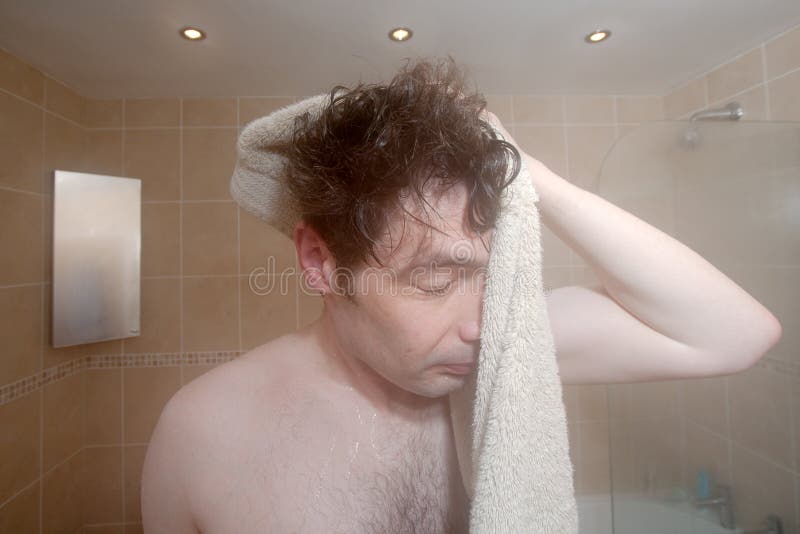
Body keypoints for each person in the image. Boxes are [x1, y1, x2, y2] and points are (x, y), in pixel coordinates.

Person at [140, 57, 782, 533]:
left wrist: (526, 172)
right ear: (320, 263)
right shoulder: (204, 433)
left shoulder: (501, 351)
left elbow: (737, 334)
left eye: (493, 276)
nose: (481, 322)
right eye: (435, 280)